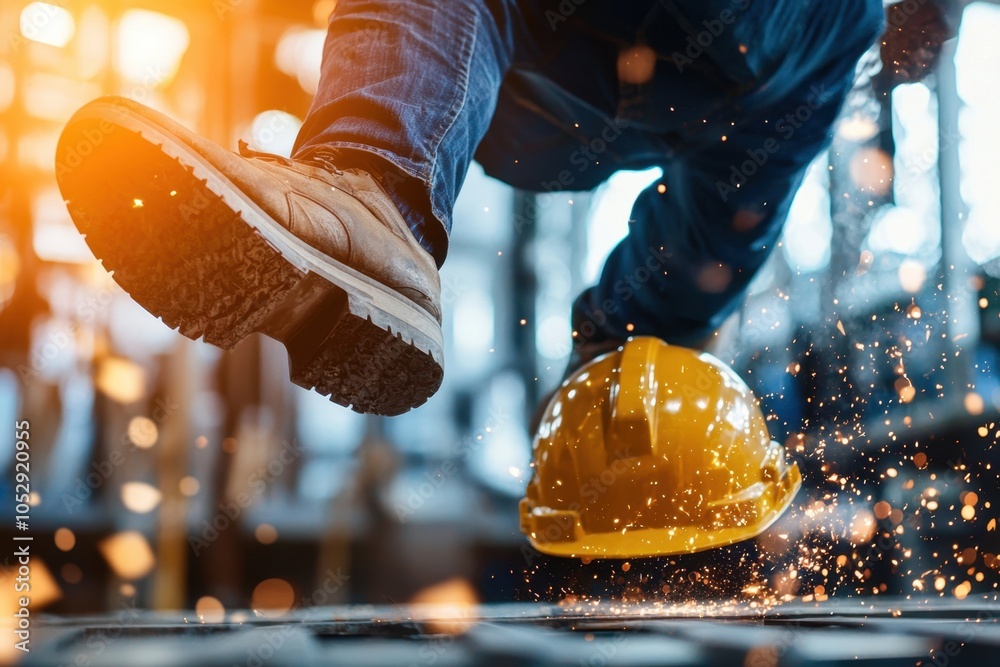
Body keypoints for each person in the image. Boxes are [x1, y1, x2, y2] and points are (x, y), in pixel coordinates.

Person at [55, 0, 886, 416]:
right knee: (712, 238)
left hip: (544, 108)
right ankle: (623, 395)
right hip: (742, 60)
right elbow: (726, 226)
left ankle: (373, 199)